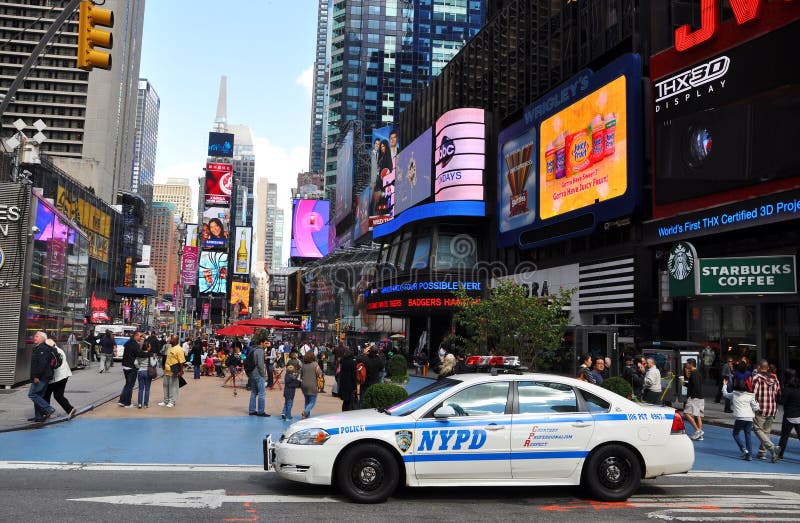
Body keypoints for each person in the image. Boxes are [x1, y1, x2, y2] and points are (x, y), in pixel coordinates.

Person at [722, 374, 761, 461]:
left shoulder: (734, 394)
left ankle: (743, 449)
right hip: (749, 418)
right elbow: (756, 407)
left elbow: (725, 394)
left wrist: (724, 385)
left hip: (740, 417)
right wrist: (757, 405)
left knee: (735, 434)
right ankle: (749, 455)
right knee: (748, 435)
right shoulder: (750, 395)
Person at [751, 360, 781, 461]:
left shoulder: (757, 378)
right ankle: (762, 452)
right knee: (766, 431)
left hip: (761, 407)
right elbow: (776, 391)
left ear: (759, 367)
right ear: (767, 368)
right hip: (772, 407)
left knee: (757, 429)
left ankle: (772, 448)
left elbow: (753, 393)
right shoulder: (774, 377)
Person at [43, 338, 76, 420]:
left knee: (46, 394)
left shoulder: (51, 352)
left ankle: (47, 412)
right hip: (65, 375)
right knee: (58, 395)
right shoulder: (59, 350)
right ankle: (70, 409)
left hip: (56, 377)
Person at [28, 331, 56, 422]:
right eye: (34, 336)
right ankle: (39, 416)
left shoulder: (42, 348)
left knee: (32, 394)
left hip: (41, 377)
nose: (34, 338)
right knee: (39, 395)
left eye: (37, 336)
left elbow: (42, 364)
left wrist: (36, 376)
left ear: (43, 338)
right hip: (42, 376)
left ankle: (48, 409)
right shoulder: (39, 348)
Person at [118, 331, 147, 408]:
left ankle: (122, 401)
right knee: (130, 385)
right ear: (135, 336)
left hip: (125, 366)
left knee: (128, 384)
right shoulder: (134, 344)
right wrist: (149, 354)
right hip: (131, 366)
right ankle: (126, 403)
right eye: (140, 336)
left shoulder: (128, 342)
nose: (141, 338)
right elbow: (140, 354)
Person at [776, 369, 800, 460]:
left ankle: (780, 455)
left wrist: (777, 395)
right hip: (798, 415)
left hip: (789, 415)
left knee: (784, 436)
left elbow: (782, 401)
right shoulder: (798, 388)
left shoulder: (787, 389)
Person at [683, 359, 705, 441]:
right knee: (697, 415)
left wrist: (692, 396)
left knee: (686, 413)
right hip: (700, 396)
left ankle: (698, 431)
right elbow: (693, 385)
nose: (686, 365)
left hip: (694, 397)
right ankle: (699, 435)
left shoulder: (694, 373)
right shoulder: (697, 373)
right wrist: (684, 384)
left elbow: (695, 386)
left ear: (691, 364)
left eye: (687, 364)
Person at [160, 335, 185, 408]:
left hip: (174, 371)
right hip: (167, 370)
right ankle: (166, 400)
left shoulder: (179, 349)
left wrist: (181, 371)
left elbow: (181, 362)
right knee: (165, 386)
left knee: (173, 387)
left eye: (172, 339)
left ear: (176, 340)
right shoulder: (170, 347)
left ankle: (172, 401)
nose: (170, 340)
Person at [248, 337, 269, 417]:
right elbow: (260, 365)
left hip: (252, 373)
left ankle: (252, 410)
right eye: (266, 343)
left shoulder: (254, 349)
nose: (267, 345)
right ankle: (261, 411)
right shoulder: (260, 351)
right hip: (258, 374)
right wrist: (263, 375)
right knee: (262, 393)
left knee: (254, 392)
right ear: (261, 343)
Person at [299, 351, 323, 419]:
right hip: (313, 385)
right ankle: (305, 412)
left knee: (307, 401)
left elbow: (301, 375)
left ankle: (306, 416)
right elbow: (320, 374)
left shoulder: (303, 365)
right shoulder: (315, 364)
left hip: (304, 385)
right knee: (312, 401)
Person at [136, 341, 157, 409]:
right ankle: (145, 404)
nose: (150, 347)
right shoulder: (150, 355)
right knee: (147, 389)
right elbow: (153, 364)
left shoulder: (139, 354)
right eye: (149, 346)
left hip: (140, 372)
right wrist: (155, 359)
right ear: (147, 347)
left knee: (140, 389)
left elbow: (135, 363)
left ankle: (139, 404)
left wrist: (139, 367)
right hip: (148, 372)